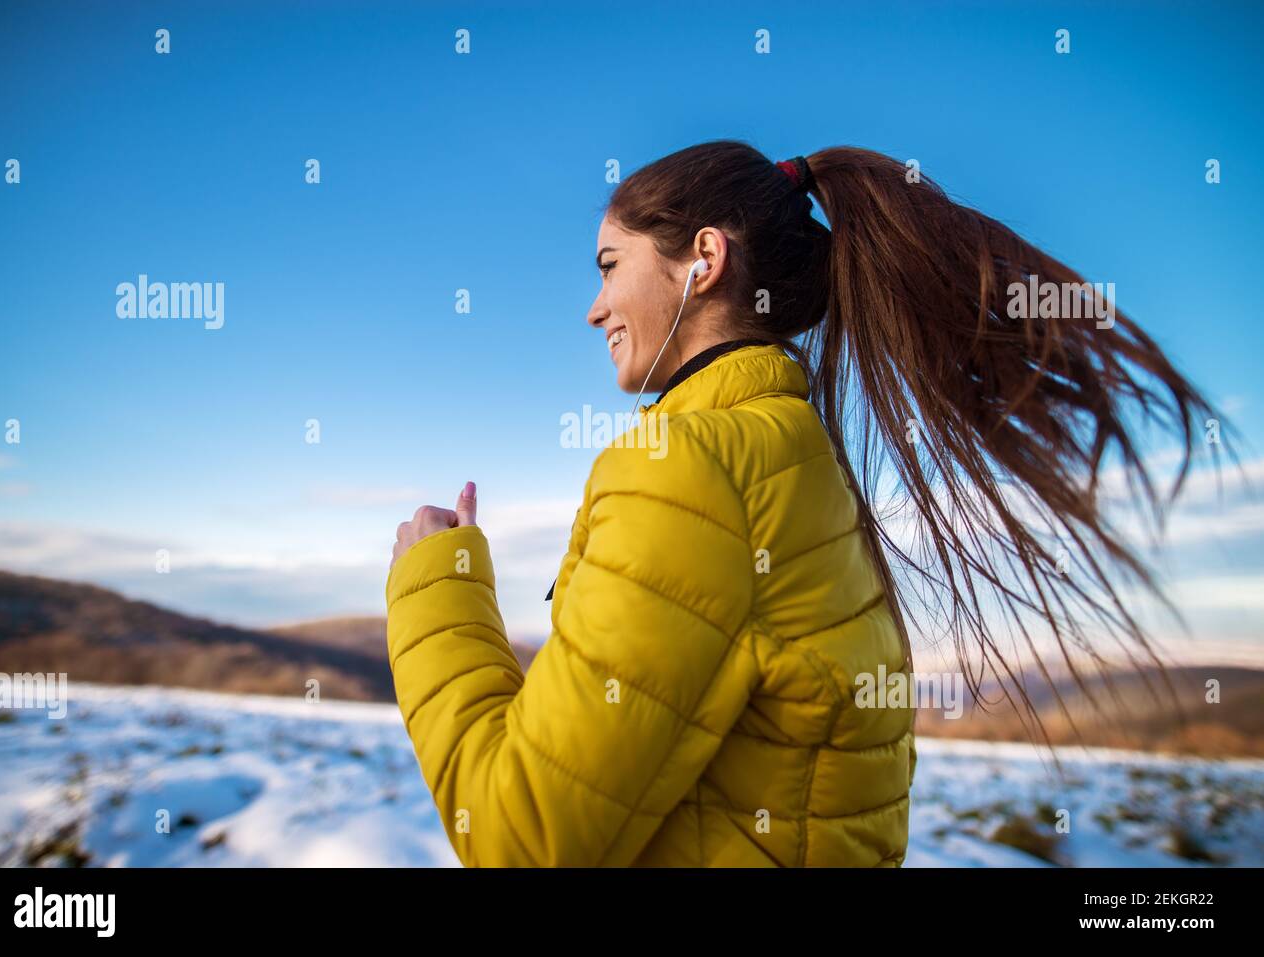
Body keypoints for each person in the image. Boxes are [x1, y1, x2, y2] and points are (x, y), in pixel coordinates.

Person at [384, 141, 1222, 867]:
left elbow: (518, 830)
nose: (593, 306)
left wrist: (438, 588)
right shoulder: (797, 458)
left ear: (703, 260)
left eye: (610, 266)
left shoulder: (689, 466)